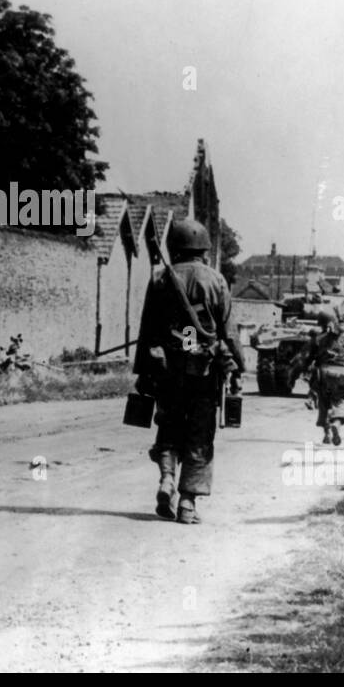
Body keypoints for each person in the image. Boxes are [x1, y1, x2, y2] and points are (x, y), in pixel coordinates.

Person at [132, 218, 241, 525]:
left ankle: (166, 480)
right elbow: (229, 332)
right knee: (199, 437)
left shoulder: (160, 279)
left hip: (168, 371)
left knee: (167, 428)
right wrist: (238, 368)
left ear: (175, 247)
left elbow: (148, 328)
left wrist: (143, 371)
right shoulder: (216, 280)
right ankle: (188, 504)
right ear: (204, 248)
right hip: (203, 374)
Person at [290, 309, 344, 445]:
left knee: (323, 404)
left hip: (322, 374)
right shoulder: (343, 337)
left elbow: (304, 360)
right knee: (340, 402)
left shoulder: (316, 340)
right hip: (341, 373)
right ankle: (336, 424)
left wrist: (294, 377)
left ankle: (327, 434)